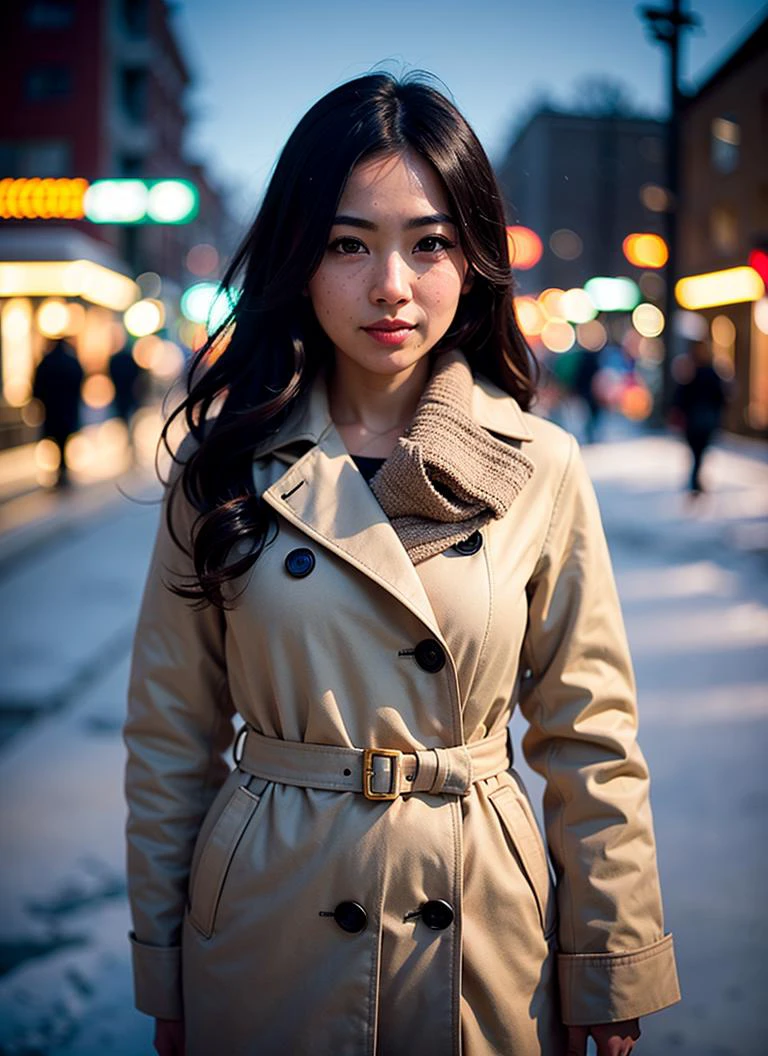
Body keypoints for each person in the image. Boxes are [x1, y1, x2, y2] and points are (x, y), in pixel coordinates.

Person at [123, 73, 680, 1056]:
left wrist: (611, 957)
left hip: (479, 914)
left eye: (428, 243)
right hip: (265, 922)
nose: (392, 284)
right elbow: (169, 744)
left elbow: (590, 734)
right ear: (301, 258)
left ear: (471, 255)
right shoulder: (224, 467)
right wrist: (163, 967)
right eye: (349, 244)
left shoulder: (539, 465)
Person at [672, 339, 727, 495]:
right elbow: (720, 396)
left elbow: (681, 395)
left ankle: (695, 479)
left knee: (696, 452)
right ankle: (695, 480)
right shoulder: (709, 372)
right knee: (699, 452)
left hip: (695, 419)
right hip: (704, 418)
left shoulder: (692, 371)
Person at [32, 337, 84, 488]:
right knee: (64, 438)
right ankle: (63, 468)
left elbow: (37, 388)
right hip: (67, 408)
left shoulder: (46, 362)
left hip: (52, 409)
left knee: (55, 438)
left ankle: (60, 469)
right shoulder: (70, 361)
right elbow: (79, 382)